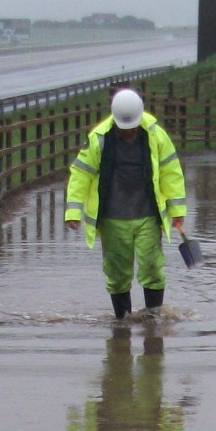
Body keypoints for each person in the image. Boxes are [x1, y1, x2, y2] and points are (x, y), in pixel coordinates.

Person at [65, 87, 189, 319]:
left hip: (147, 216)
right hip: (113, 219)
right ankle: (122, 320)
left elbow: (170, 171)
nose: (129, 132)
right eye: (125, 128)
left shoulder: (155, 135)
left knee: (152, 265)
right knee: (117, 274)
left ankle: (153, 318)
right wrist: (73, 211)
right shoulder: (99, 139)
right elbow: (81, 173)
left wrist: (177, 211)